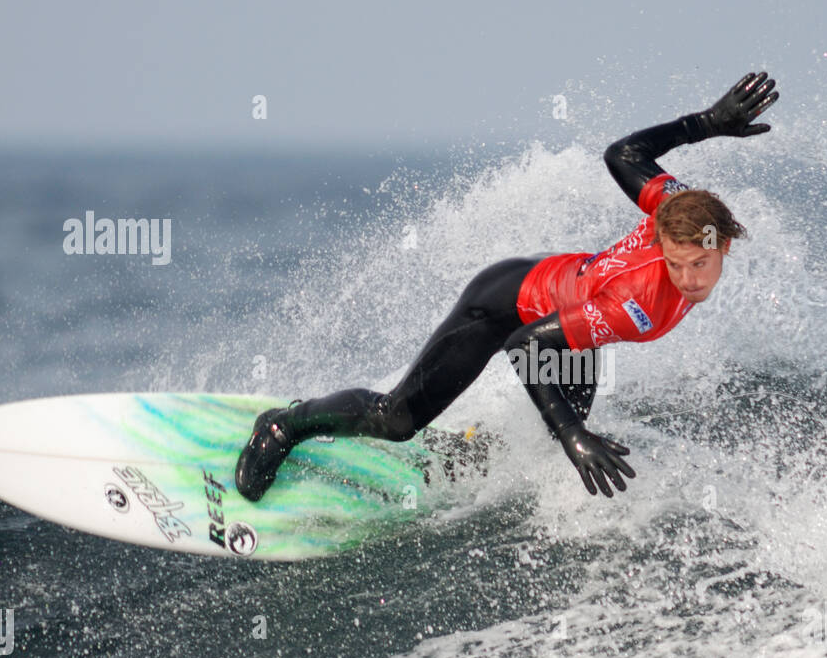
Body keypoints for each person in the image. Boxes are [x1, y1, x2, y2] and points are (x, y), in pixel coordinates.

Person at [235, 71, 778, 500]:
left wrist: (709, 123)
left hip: (572, 312)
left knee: (559, 420)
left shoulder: (683, 213)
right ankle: (284, 425)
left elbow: (625, 156)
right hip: (503, 308)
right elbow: (526, 344)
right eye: (675, 265)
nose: (687, 280)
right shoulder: (637, 302)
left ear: (723, 244)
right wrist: (573, 436)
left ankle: (467, 451)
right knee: (398, 419)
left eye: (699, 266)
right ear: (660, 241)